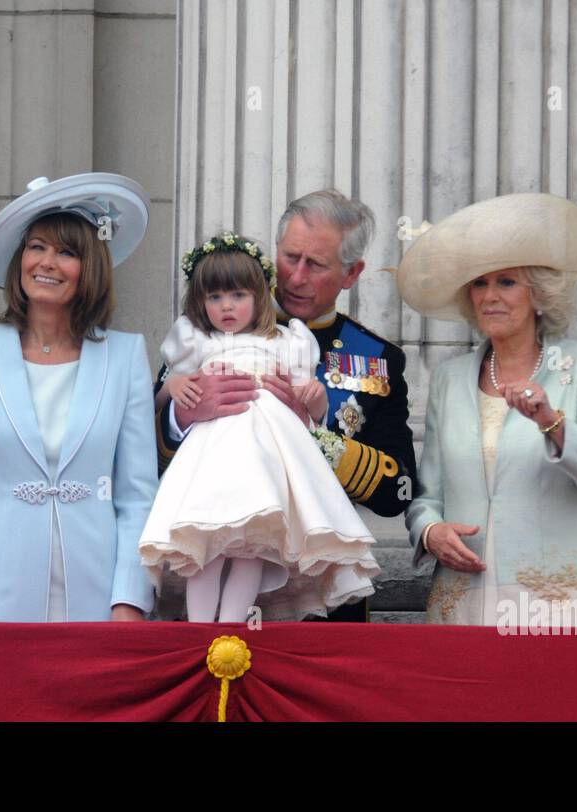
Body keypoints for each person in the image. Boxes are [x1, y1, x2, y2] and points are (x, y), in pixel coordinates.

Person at [156, 190, 416, 621]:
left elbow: (399, 489)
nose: (295, 277)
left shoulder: (375, 358)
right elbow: (144, 445)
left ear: (352, 273)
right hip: (213, 577)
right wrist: (185, 415)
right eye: (290, 257)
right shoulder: (216, 324)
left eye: (315, 265)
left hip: (317, 602)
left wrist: (311, 440)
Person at [0, 174, 156, 623]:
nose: (47, 262)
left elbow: (138, 494)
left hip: (98, 589)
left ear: (91, 269)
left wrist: (129, 599)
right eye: (37, 247)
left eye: (67, 252)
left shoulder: (125, 356)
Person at [397, 193, 577, 626]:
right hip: (462, 605)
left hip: (558, 604)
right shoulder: (449, 379)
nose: (490, 296)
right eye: (480, 283)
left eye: (506, 282)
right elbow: (426, 495)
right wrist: (430, 532)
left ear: (538, 293)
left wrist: (551, 421)